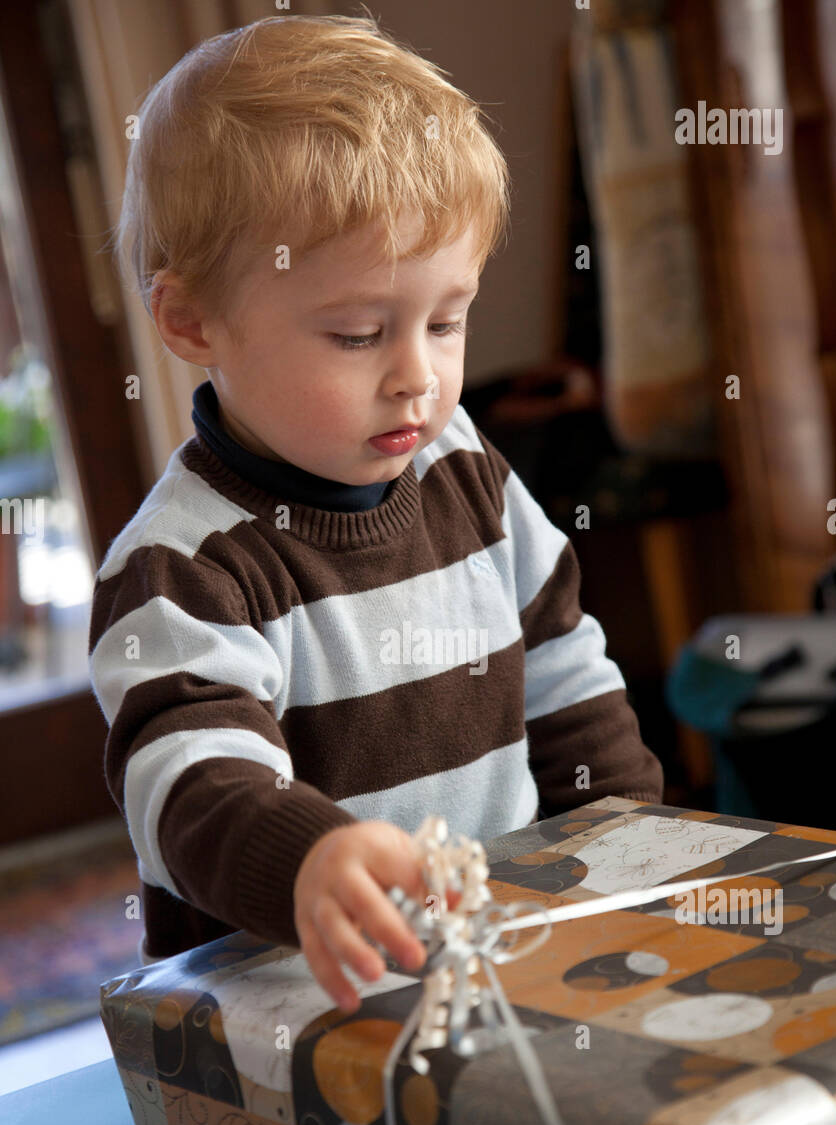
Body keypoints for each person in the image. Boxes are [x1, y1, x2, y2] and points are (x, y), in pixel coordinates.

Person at [89, 13, 663, 1014]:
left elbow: (567, 674)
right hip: (294, 1003)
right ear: (191, 322)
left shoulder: (466, 471)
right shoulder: (181, 571)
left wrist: (624, 846)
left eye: (446, 321)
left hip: (502, 959)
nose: (418, 377)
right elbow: (191, 787)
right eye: (358, 335)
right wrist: (311, 860)